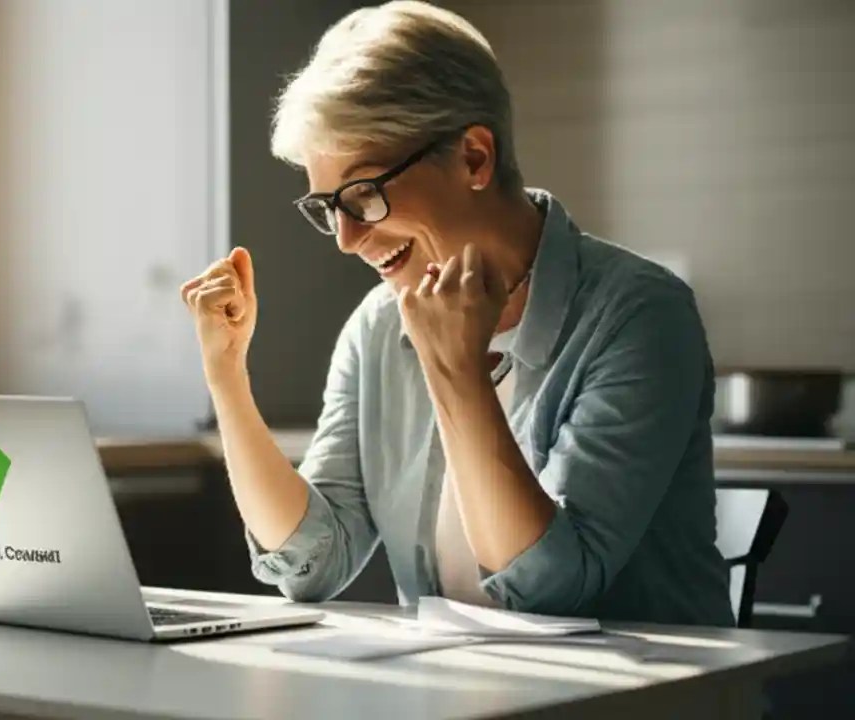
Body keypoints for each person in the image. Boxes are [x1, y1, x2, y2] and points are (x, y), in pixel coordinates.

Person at [180, 0, 732, 625]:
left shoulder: (640, 314)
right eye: (328, 206)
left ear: (474, 157)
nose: (347, 239)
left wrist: (458, 374)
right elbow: (313, 563)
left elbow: (551, 589)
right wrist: (227, 379)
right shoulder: (378, 325)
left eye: (364, 193)